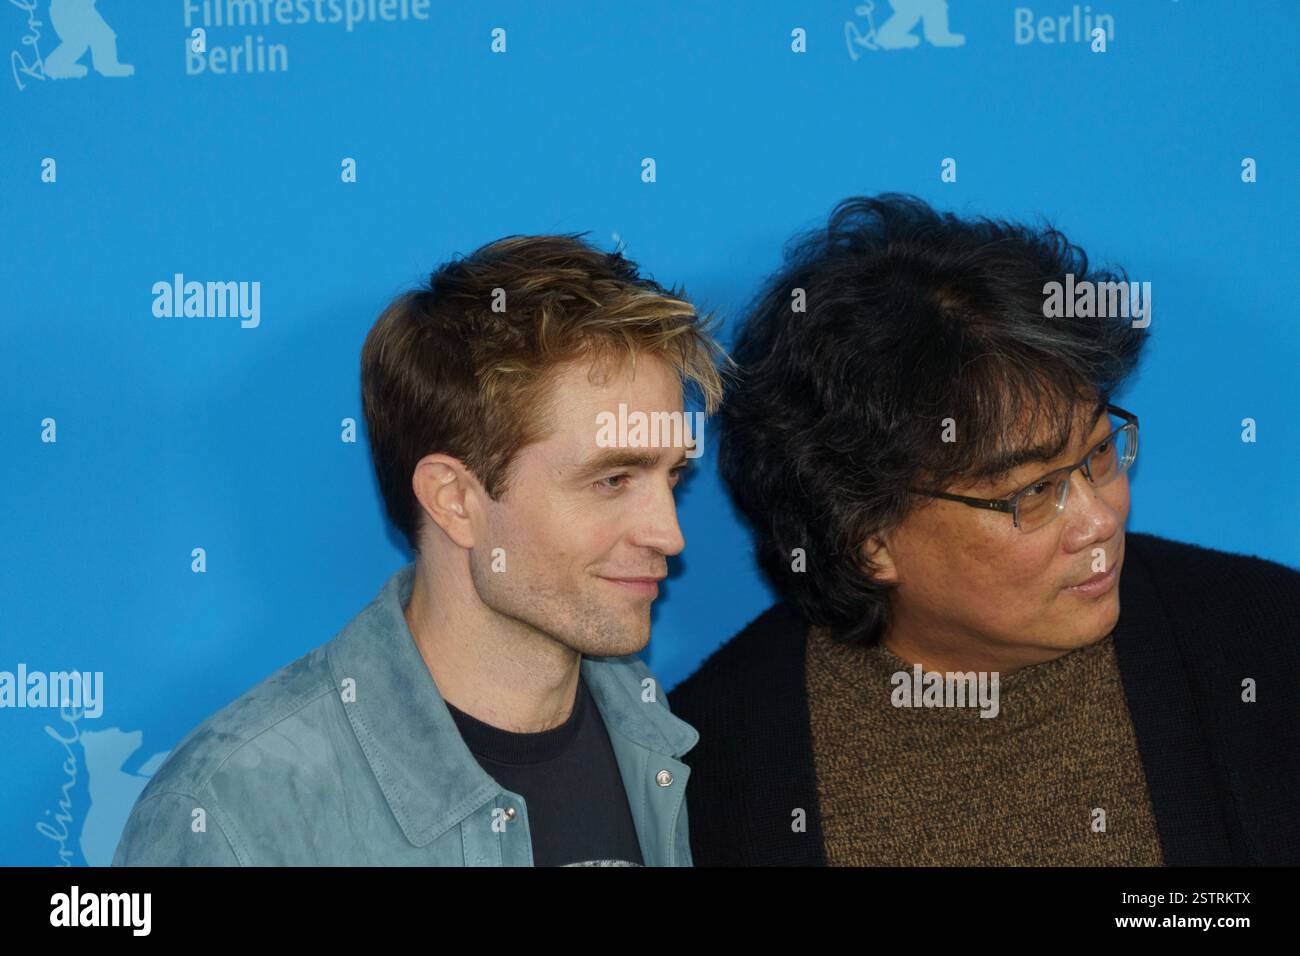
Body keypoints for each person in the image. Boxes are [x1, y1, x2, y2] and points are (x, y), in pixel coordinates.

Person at [669, 193, 1300, 866]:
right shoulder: (711, 772)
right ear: (868, 539)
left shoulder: (1263, 644)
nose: (1100, 518)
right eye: (1033, 493)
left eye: (1096, 454)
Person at [114, 234, 723, 866]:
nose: (669, 534)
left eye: (672, 476)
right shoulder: (235, 813)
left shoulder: (661, 740)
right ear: (454, 499)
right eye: (612, 480)